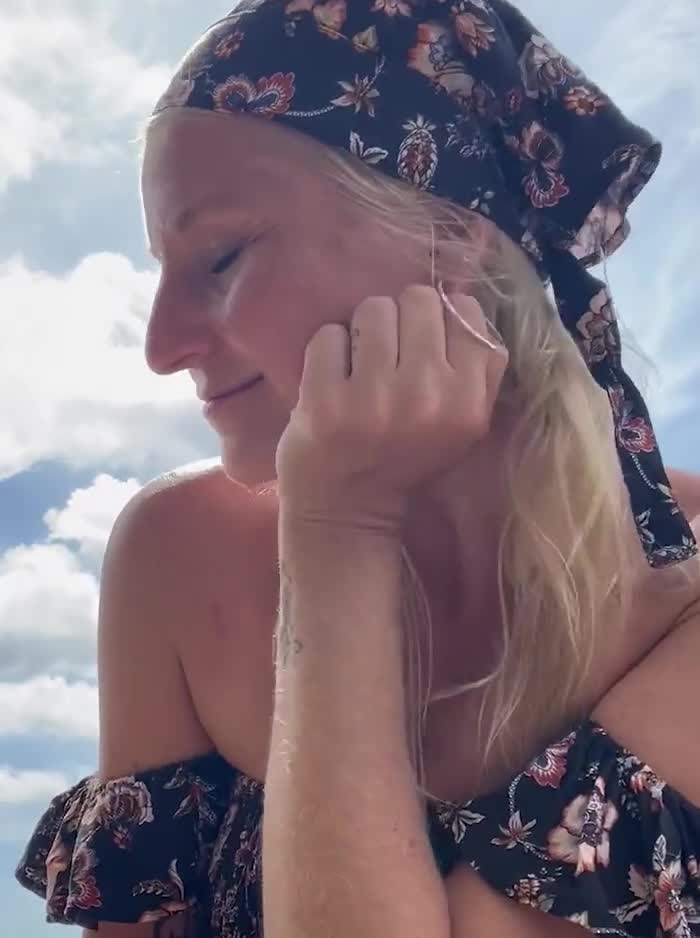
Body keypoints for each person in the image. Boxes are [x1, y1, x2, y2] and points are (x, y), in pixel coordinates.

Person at [15, 1, 700, 936]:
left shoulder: (683, 588)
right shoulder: (178, 557)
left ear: (450, 238)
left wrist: (340, 534)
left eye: (220, 256)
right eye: (160, 272)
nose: (161, 347)